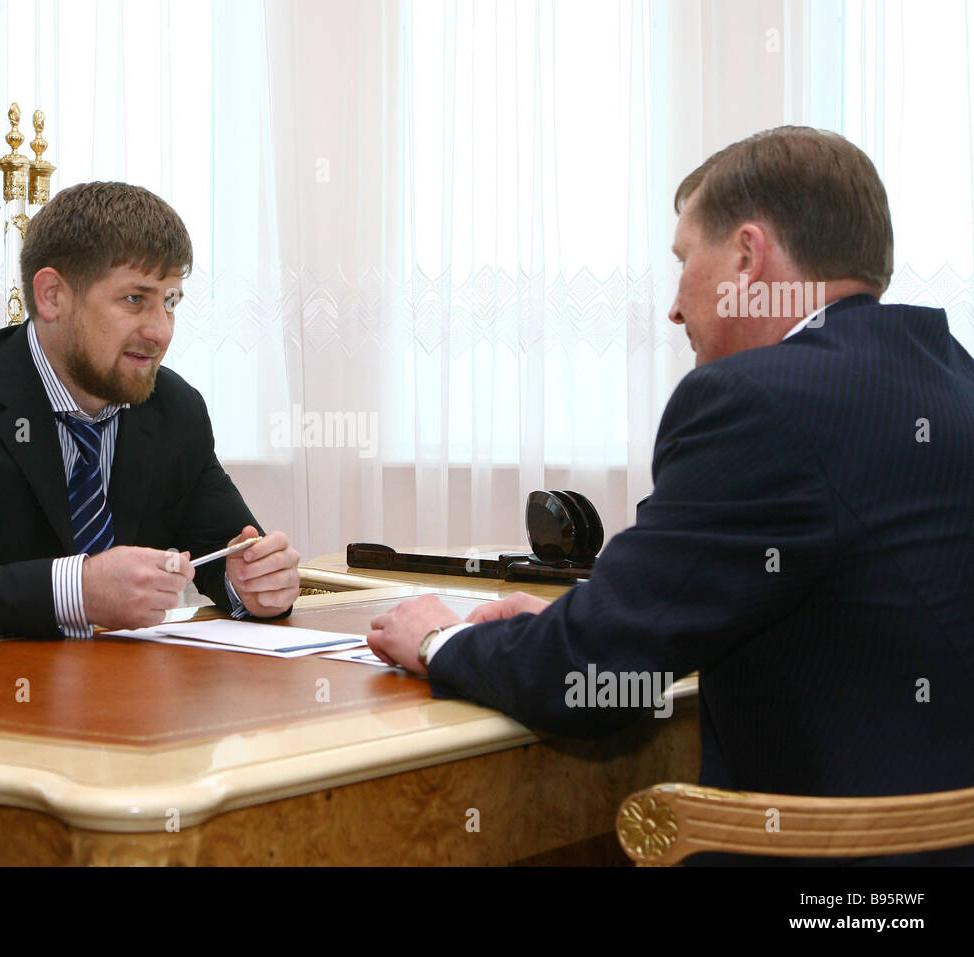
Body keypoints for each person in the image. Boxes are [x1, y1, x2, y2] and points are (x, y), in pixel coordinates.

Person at [367, 126, 974, 863]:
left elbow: (590, 676)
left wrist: (444, 638)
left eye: (686, 260)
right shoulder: (950, 378)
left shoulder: (759, 399)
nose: (674, 308)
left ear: (747, 257)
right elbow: (844, 608)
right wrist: (607, 622)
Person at [0, 181, 299, 643]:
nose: (160, 332)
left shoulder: (175, 409)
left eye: (170, 302)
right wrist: (74, 591)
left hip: (114, 700)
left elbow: (226, 553)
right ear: (52, 295)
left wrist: (254, 584)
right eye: (135, 299)